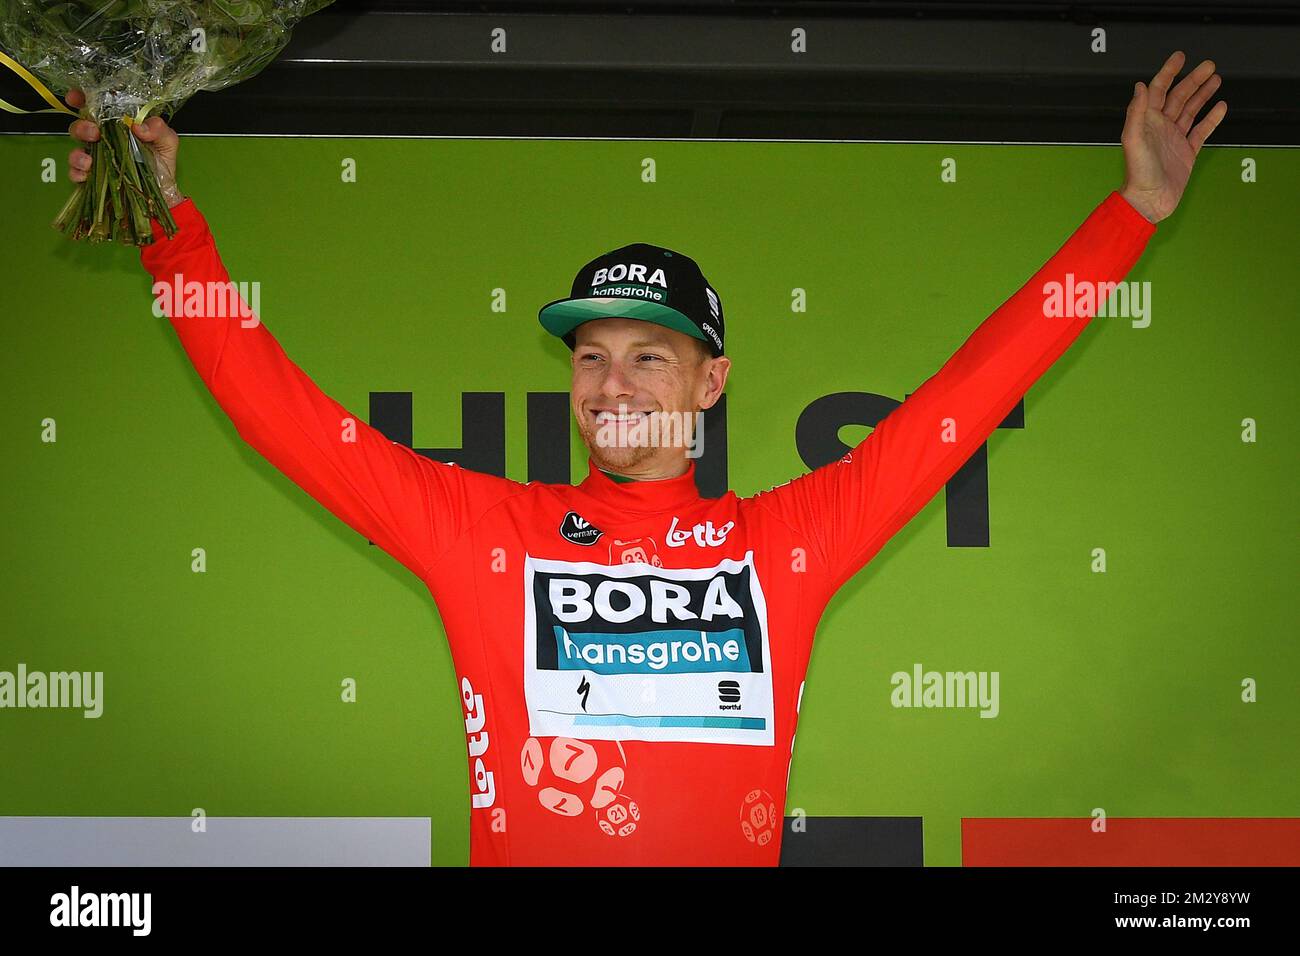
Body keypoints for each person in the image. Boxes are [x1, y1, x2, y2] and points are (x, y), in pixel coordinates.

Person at [65, 51, 1225, 866]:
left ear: (710, 383)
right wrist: (172, 230)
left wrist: (1130, 213)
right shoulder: (482, 529)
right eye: (591, 358)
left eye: (649, 358)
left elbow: (962, 401)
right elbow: (279, 409)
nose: (612, 384)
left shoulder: (786, 545)